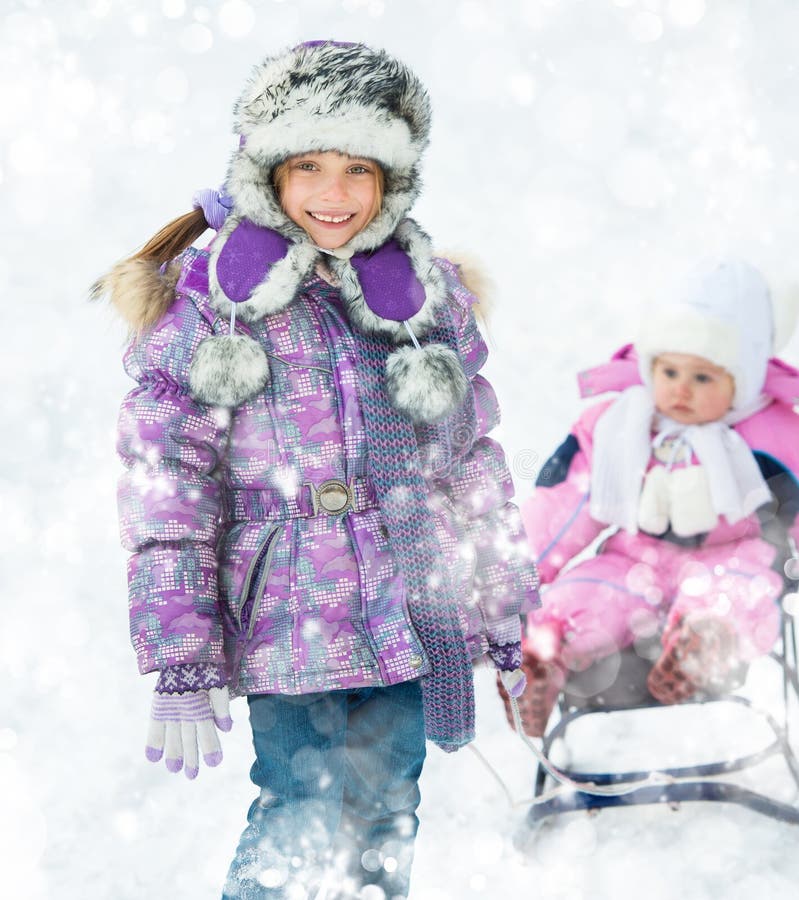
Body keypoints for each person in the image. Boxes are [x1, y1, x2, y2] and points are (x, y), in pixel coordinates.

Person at [95, 41, 538, 900]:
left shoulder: (415, 298)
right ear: (268, 173)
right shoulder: (214, 303)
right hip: (283, 617)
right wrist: (181, 651)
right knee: (297, 808)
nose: (334, 195)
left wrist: (499, 603)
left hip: (408, 610)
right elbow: (169, 488)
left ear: (392, 181)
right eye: (308, 167)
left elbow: (467, 468)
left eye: (358, 171)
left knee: (386, 808)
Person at [498, 259, 799, 738]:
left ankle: (701, 649)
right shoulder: (620, 428)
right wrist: (516, 581)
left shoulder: (774, 434)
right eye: (669, 370)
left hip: (731, 556)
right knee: (582, 595)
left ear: (740, 379)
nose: (680, 389)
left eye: (702, 378)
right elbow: (564, 506)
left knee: (736, 594)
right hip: (634, 560)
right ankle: (545, 656)